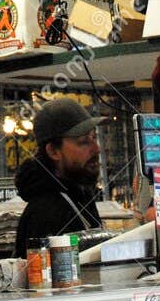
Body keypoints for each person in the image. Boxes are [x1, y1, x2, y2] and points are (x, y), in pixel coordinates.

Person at [13, 97, 104, 256]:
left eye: (94, 138)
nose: (96, 149)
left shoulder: (79, 196)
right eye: (83, 142)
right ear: (53, 151)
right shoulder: (45, 214)